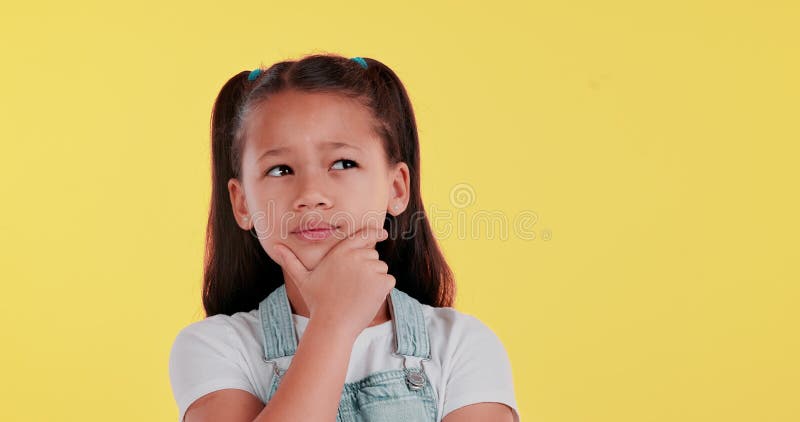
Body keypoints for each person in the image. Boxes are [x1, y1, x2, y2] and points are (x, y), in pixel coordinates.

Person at [168, 53, 520, 422]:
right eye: (280, 169)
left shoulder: (461, 346)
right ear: (241, 204)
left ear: (397, 188)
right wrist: (332, 321)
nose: (310, 193)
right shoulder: (217, 348)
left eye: (343, 163)